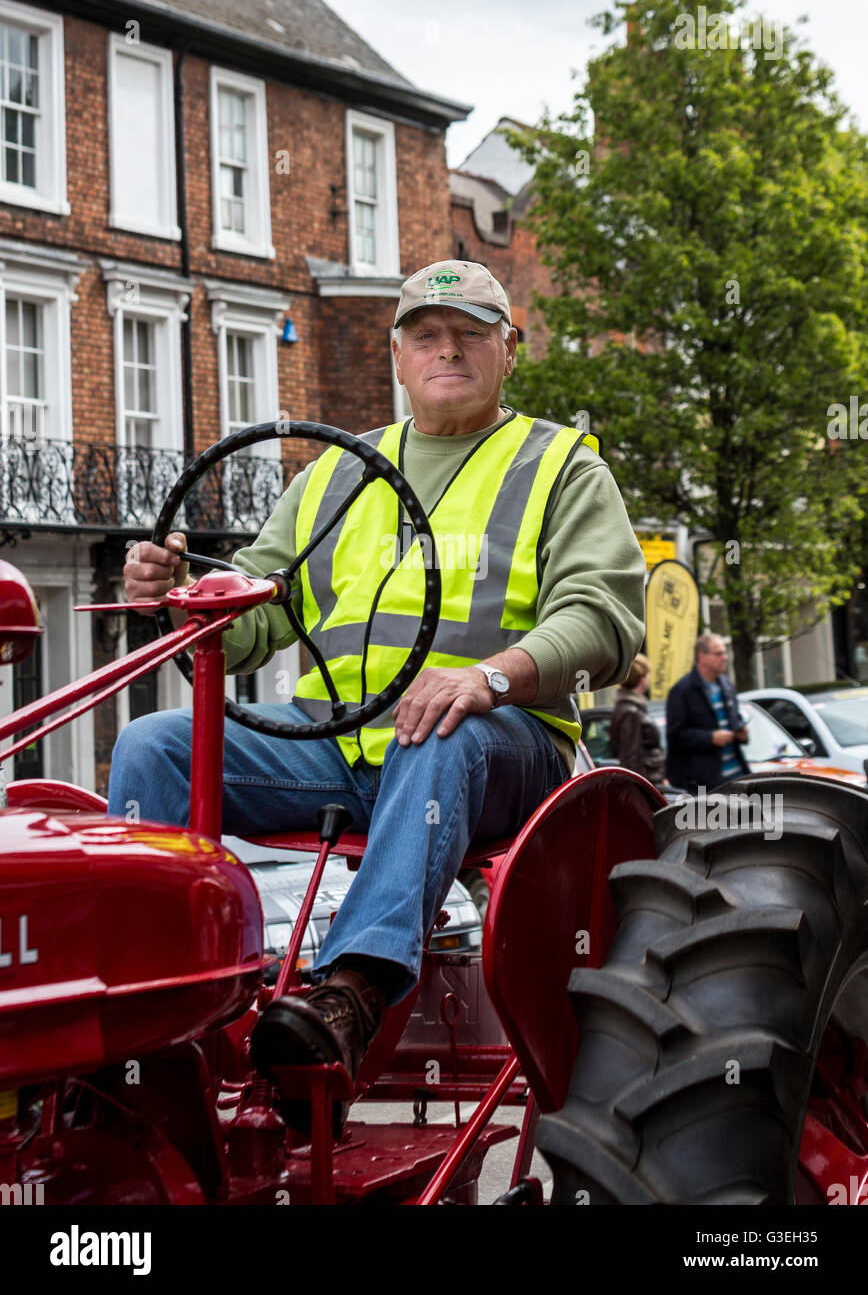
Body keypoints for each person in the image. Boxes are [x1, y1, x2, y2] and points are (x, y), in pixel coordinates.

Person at [108, 259, 646, 1134]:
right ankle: (154, 1018)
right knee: (154, 745)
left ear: (510, 351)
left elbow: (604, 621)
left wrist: (486, 678)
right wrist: (172, 596)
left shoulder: (561, 466)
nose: (448, 349)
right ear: (397, 356)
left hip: (500, 750)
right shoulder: (334, 475)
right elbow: (246, 621)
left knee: (436, 730)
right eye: (427, 334)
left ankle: (350, 995)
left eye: (471, 333)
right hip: (340, 747)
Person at [665, 633, 749, 796]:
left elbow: (734, 719)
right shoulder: (682, 690)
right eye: (719, 653)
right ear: (702, 656)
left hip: (737, 776)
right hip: (704, 784)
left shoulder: (726, 685)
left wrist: (742, 733)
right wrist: (709, 738)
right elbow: (674, 735)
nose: (725, 657)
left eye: (725, 653)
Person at [609, 654, 666, 787]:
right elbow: (631, 758)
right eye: (648, 674)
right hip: (646, 787)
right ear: (642, 679)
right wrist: (640, 790)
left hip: (650, 783)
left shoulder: (632, 707)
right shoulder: (630, 711)